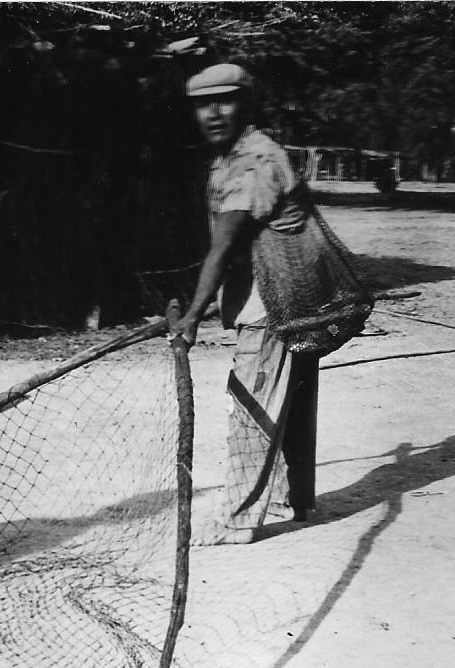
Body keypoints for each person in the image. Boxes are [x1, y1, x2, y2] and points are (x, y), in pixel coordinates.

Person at [173, 63, 320, 542]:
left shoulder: (254, 162)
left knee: (252, 406)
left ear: (246, 104)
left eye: (225, 101)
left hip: (273, 304)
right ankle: (288, 497)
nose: (213, 113)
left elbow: (223, 247)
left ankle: (237, 521)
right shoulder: (233, 155)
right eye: (202, 104)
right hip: (281, 297)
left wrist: (192, 316)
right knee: (284, 400)